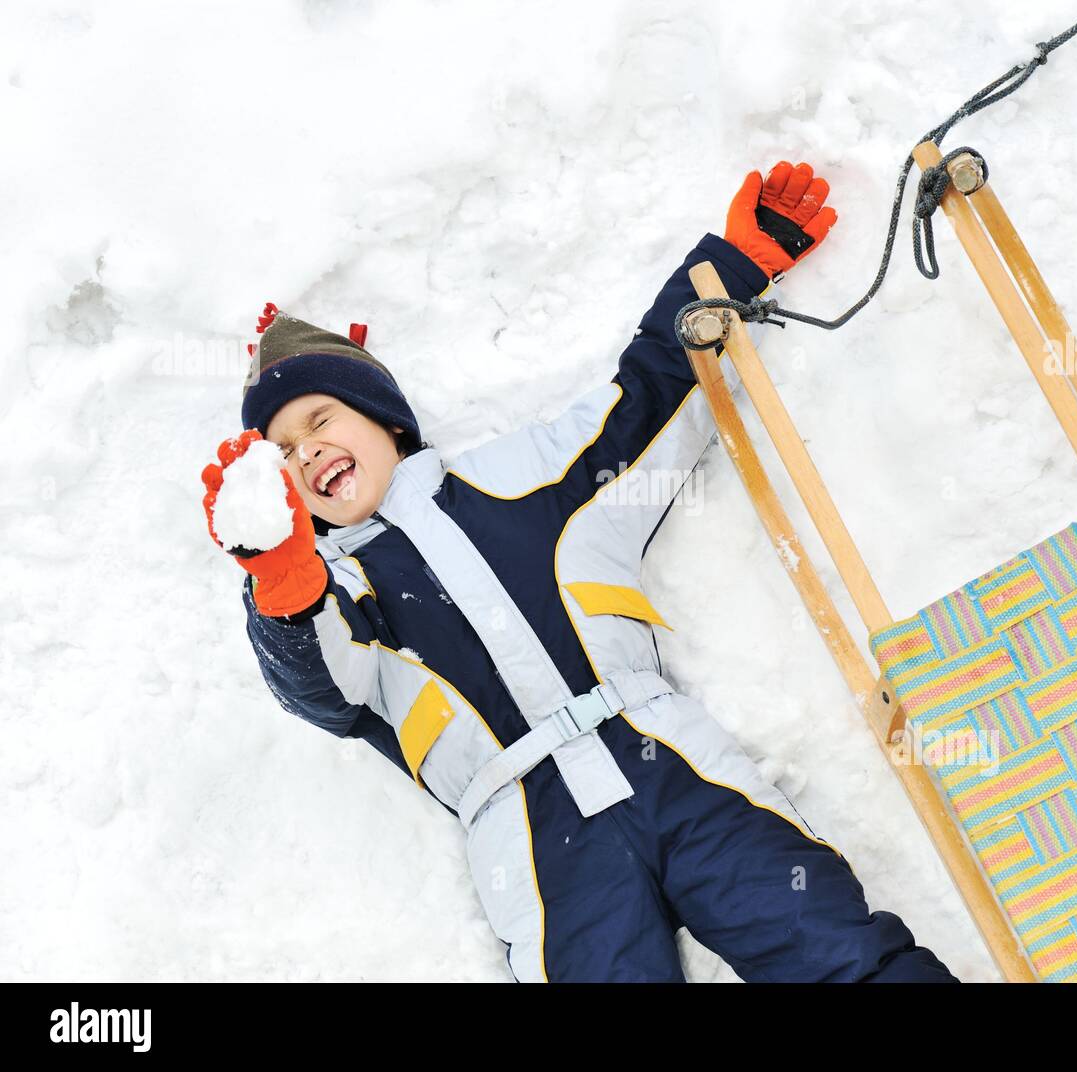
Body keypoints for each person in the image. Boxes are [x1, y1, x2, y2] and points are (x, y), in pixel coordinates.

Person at [201, 161, 959, 983]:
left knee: (829, 943)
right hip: (531, 842)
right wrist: (279, 584)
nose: (306, 450)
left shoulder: (525, 478)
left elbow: (642, 405)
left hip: (671, 767)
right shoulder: (334, 595)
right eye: (282, 455)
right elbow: (318, 686)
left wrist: (734, 268)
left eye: (319, 418)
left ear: (382, 417)